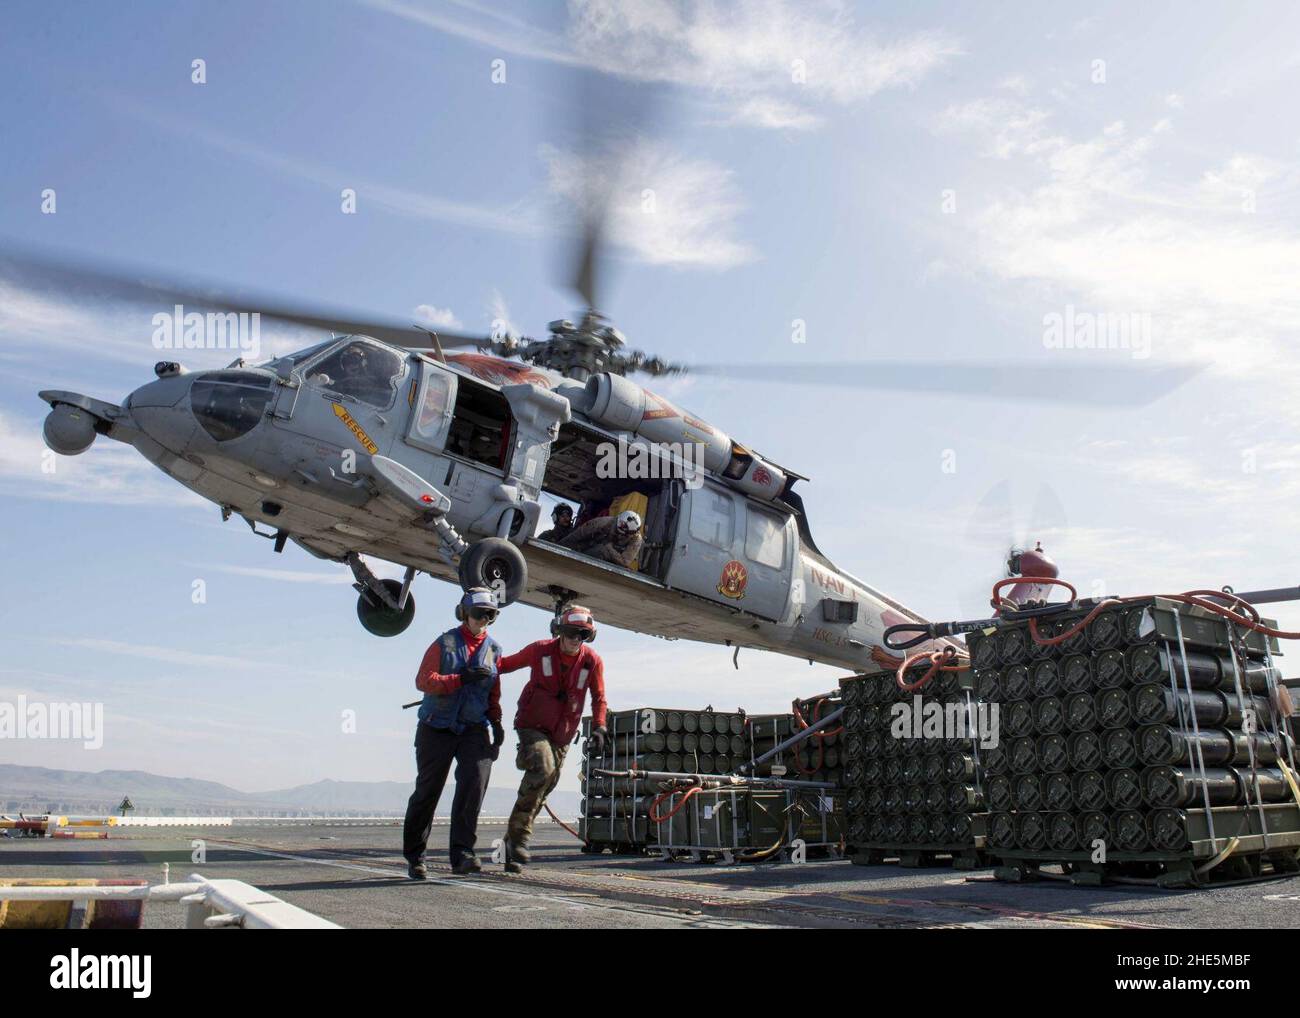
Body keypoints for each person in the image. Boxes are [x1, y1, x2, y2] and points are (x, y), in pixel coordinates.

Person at [402, 587, 506, 878]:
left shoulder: (494, 650)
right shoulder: (444, 643)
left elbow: (493, 692)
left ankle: (462, 854)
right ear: (464, 613)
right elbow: (424, 681)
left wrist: (496, 722)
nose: (482, 620)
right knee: (428, 790)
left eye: (489, 614)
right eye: (477, 613)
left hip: (473, 727)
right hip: (437, 726)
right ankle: (416, 857)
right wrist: (459, 679)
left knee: (474, 783)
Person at [496, 605, 607, 873]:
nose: (574, 639)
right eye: (570, 632)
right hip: (532, 727)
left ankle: (510, 847)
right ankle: (521, 839)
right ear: (559, 631)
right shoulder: (539, 650)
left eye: (582, 634)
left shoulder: (592, 662)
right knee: (543, 770)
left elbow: (599, 698)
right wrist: (474, 670)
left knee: (547, 784)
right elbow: (504, 665)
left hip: (562, 734)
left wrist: (600, 727)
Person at [561, 508, 643, 569]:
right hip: (587, 550)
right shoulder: (602, 523)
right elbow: (577, 535)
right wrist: (558, 546)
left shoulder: (636, 539)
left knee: (602, 551)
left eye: (625, 528)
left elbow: (625, 562)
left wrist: (609, 548)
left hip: (611, 564)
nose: (621, 528)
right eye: (621, 525)